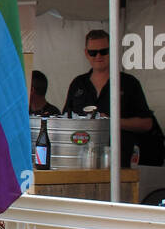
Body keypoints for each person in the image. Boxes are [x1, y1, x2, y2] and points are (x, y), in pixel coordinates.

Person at [63, 29, 155, 167]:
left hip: (119, 162)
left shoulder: (129, 83)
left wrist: (113, 122)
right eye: (93, 52)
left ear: (112, 50)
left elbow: (147, 123)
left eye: (103, 51)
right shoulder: (78, 84)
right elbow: (65, 119)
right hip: (81, 163)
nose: (98, 56)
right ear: (86, 53)